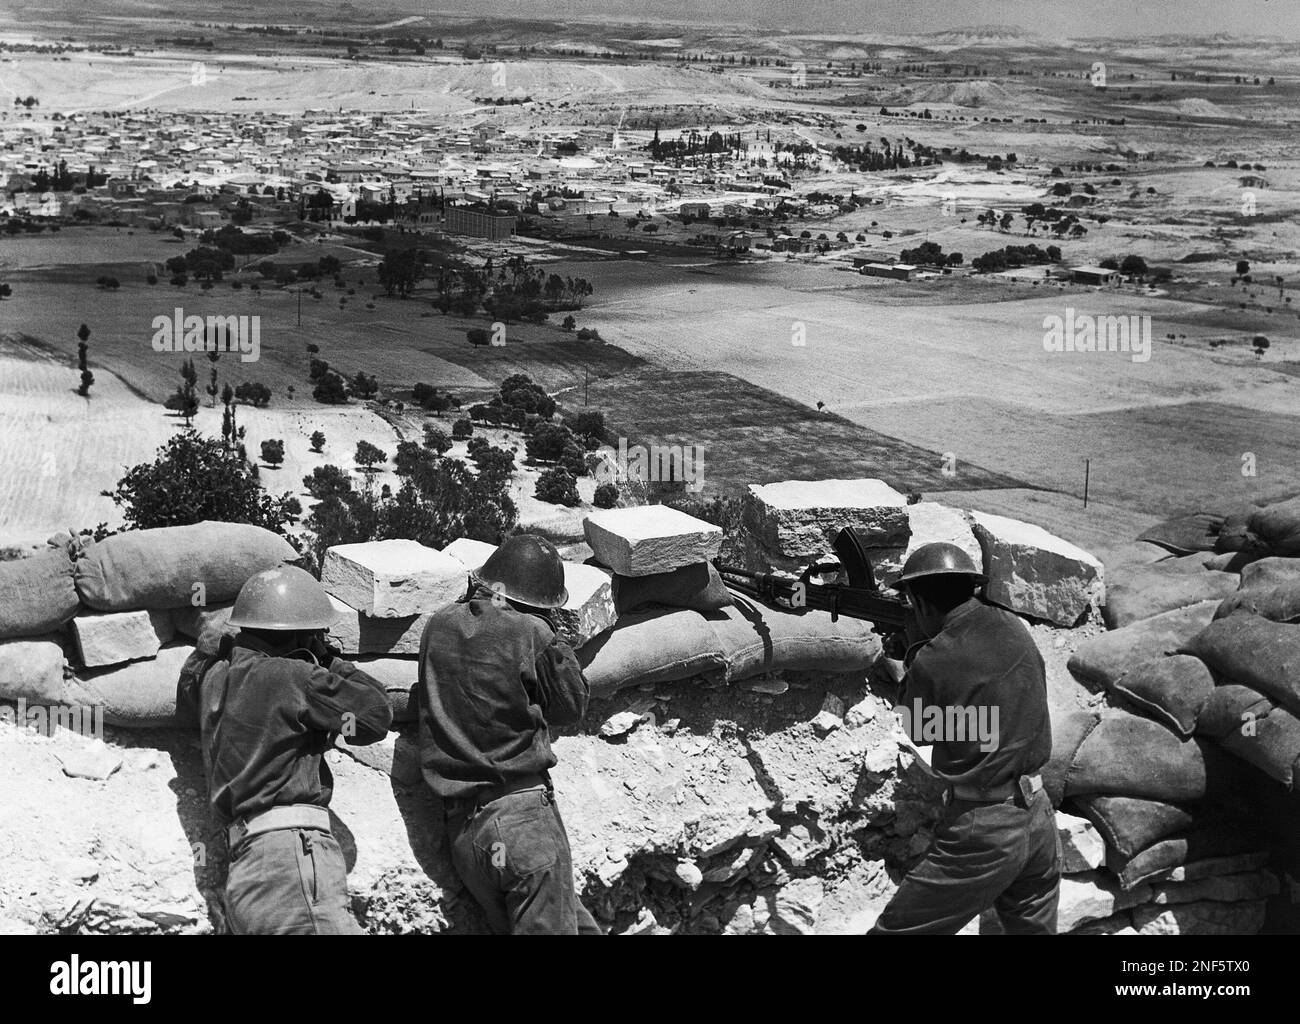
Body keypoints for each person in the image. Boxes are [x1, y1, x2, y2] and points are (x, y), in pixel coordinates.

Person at [177, 564, 392, 935]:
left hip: (246, 876)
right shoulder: (294, 677)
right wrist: (328, 660)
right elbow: (375, 716)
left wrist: (216, 646)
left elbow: (187, 685)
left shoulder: (213, 678)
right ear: (301, 635)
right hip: (292, 866)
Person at [869, 542, 1061, 935]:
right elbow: (978, 713)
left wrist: (911, 659)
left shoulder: (932, 660)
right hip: (1038, 814)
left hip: (985, 830)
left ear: (919, 603)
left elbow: (920, 729)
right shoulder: (1011, 626)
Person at [417, 533, 600, 935]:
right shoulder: (533, 633)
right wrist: (556, 643)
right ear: (544, 600)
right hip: (519, 827)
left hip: (470, 838)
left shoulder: (439, 623)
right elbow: (571, 707)